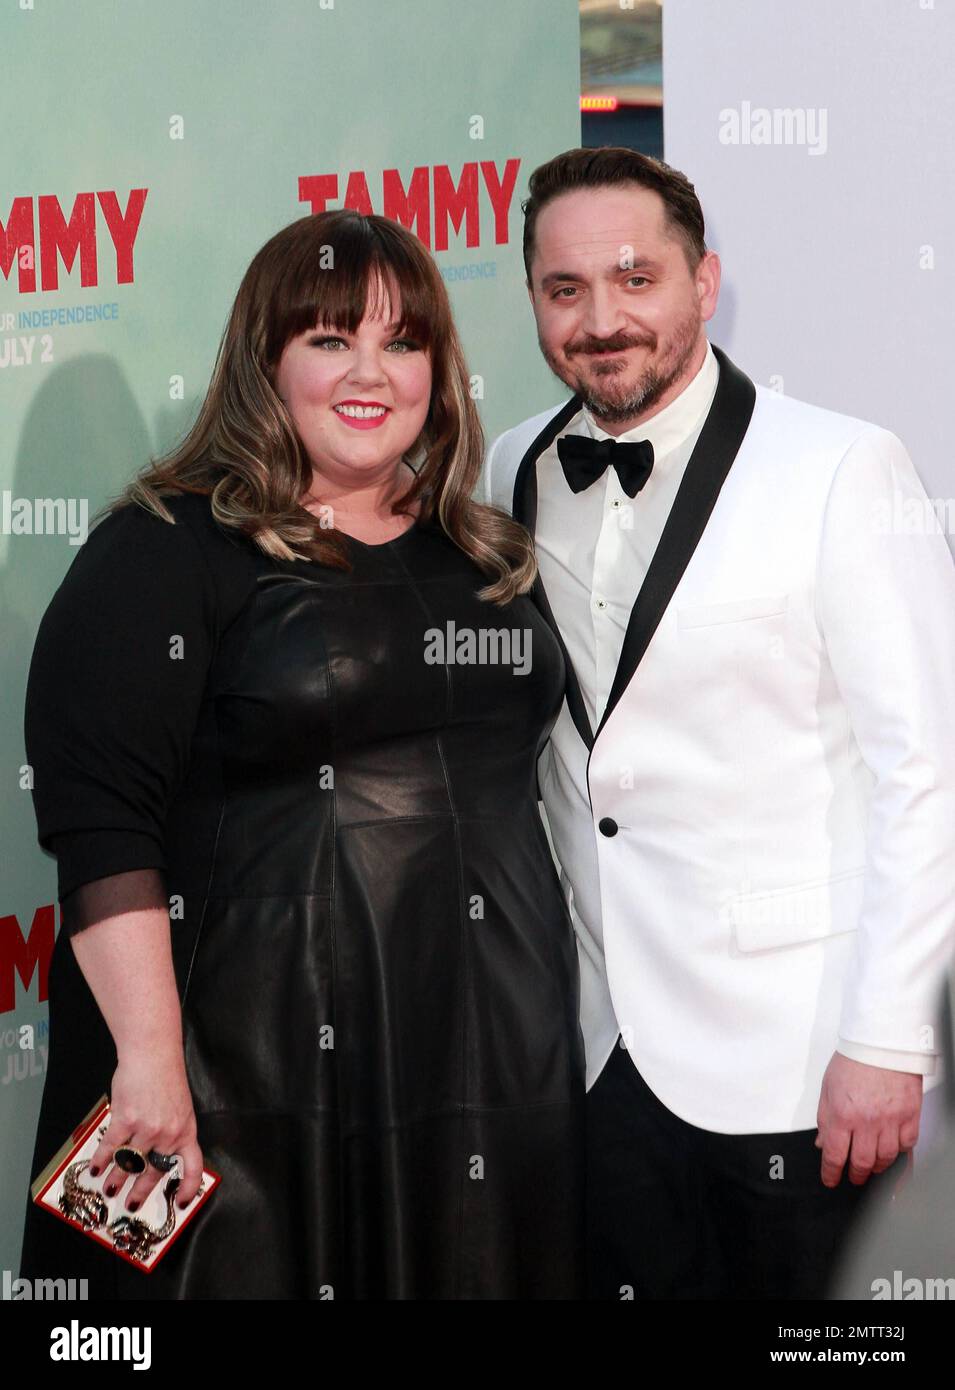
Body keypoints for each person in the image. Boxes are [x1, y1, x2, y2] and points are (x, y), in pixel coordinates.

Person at [18, 208, 586, 1300]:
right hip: (239, 1071)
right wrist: (148, 1066)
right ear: (265, 359)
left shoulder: (481, 546)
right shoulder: (164, 545)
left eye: (402, 341)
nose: (370, 372)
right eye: (330, 340)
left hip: (481, 1054)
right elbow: (100, 828)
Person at [480, 146, 955, 1299]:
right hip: (600, 1053)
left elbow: (928, 767)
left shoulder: (841, 466)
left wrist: (889, 1040)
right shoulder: (515, 466)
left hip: (799, 1060)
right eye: (565, 289)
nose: (602, 320)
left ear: (705, 282)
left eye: (637, 278)